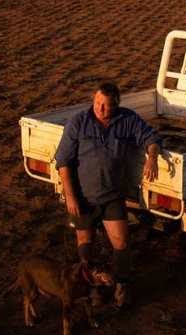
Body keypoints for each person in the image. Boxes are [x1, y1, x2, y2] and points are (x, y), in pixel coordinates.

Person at [53, 82, 162, 308]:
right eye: (98, 104)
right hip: (83, 196)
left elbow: (151, 137)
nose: (102, 109)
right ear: (94, 100)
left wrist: (152, 156)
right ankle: (89, 287)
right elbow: (63, 161)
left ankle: (122, 286)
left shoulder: (127, 120)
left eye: (107, 106)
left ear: (116, 104)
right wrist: (71, 196)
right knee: (85, 242)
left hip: (112, 196)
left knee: (121, 242)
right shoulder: (78, 122)